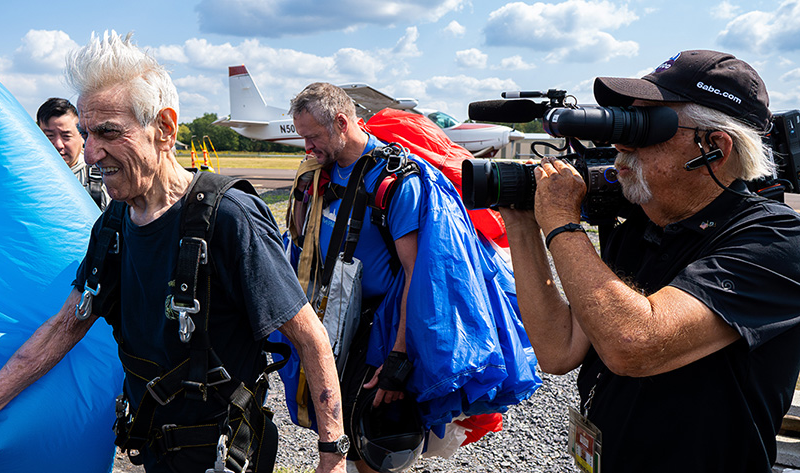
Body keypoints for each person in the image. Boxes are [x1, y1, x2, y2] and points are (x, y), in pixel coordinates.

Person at [0, 32, 346, 473]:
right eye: (87, 134)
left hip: (226, 456)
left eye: (108, 132)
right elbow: (62, 329)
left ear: (164, 129)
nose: (89, 153)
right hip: (154, 450)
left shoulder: (229, 217)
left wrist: (332, 456)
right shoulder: (113, 225)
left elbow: (309, 337)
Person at [498, 49, 800, 472]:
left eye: (645, 128)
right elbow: (557, 350)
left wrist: (563, 222)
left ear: (714, 146)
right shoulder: (642, 228)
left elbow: (633, 344)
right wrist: (523, 224)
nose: (622, 143)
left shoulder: (774, 240)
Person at [286, 83, 539, 473]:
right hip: (338, 325)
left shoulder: (396, 182)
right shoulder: (320, 176)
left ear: (340, 122)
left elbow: (419, 276)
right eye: (303, 138)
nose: (308, 147)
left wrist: (398, 361)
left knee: (376, 447)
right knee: (336, 433)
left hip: (381, 334)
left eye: (314, 137)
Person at [37, 97, 110, 210]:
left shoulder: (105, 180)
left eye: (66, 136)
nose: (58, 145)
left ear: (82, 136)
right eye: (49, 136)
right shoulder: (27, 177)